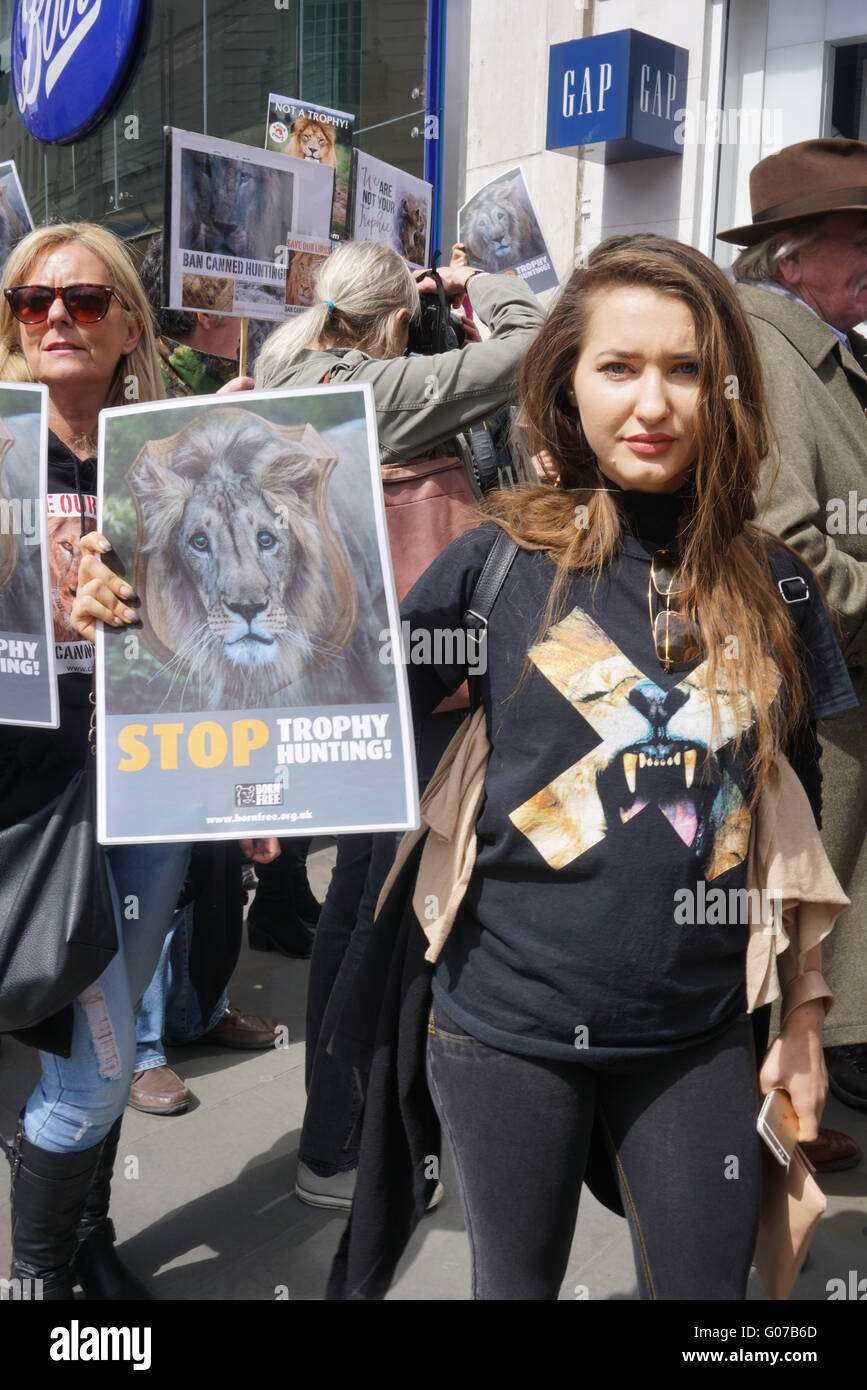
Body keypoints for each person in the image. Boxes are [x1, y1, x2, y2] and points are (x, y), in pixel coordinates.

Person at [333, 234, 856, 1299]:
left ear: (728, 390)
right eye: (619, 367)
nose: (651, 402)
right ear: (566, 384)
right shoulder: (493, 563)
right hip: (502, 1028)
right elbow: (330, 698)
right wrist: (138, 591)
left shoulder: (779, 587)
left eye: (684, 369)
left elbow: (790, 830)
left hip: (698, 1034)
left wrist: (805, 1019)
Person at [0, 222, 278, 1300]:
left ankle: (88, 1238)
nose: (57, 316)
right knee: (97, 1064)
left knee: (98, 1060)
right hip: (34, 798)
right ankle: (37, 1280)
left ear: (127, 322)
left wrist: (258, 775)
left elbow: (236, 616)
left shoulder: (173, 455)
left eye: (83, 298)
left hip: (155, 780)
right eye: (32, 301)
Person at [249, 238, 545, 1207]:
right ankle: (344, 1146)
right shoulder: (385, 383)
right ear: (386, 314)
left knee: (357, 907)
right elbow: (538, 337)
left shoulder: (283, 367)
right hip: (413, 685)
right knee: (388, 916)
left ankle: (346, 1132)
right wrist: (473, 283)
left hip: (335, 672)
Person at [718, 138, 867, 1141]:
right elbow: (784, 540)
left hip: (840, 689)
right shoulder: (766, 353)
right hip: (814, 695)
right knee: (794, 909)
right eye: (860, 241)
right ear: (791, 260)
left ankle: (807, 1097)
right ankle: (775, 1128)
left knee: (825, 911)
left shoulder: (827, 348)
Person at [127, 235, 282, 1119]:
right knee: (158, 869)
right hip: (145, 676)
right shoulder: (122, 402)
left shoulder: (205, 386)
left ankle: (201, 1007)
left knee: (219, 862)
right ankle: (144, 1042)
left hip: (221, 668)